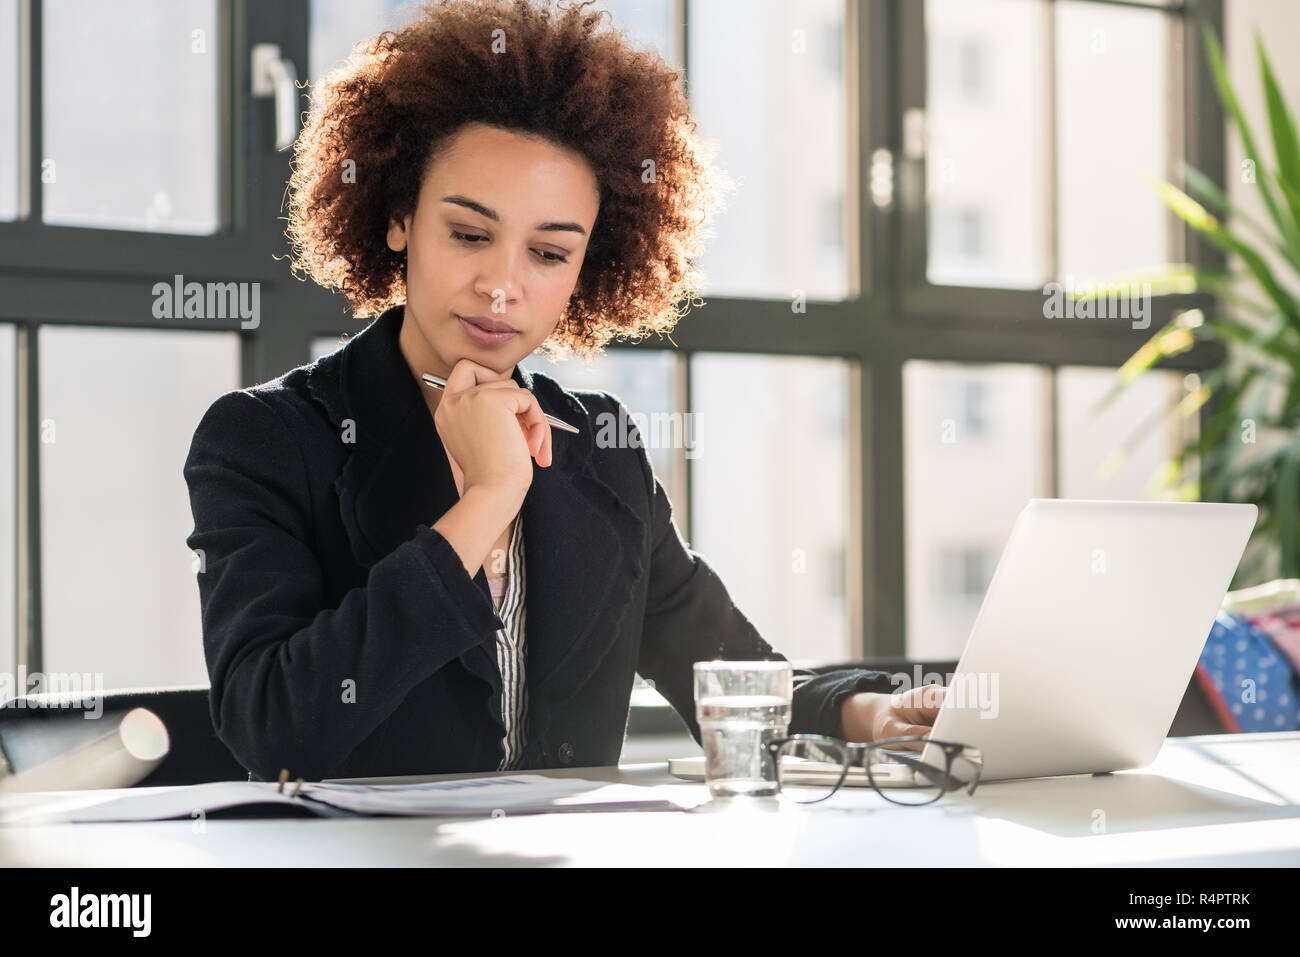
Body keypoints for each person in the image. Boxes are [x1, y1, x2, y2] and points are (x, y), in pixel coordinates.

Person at [183, 0, 941, 783]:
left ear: (588, 268)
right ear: (399, 217)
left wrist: (867, 713)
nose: (503, 287)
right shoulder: (267, 438)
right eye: (470, 234)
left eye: (548, 252)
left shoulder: (597, 449)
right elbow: (273, 723)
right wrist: (486, 499)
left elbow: (723, 665)